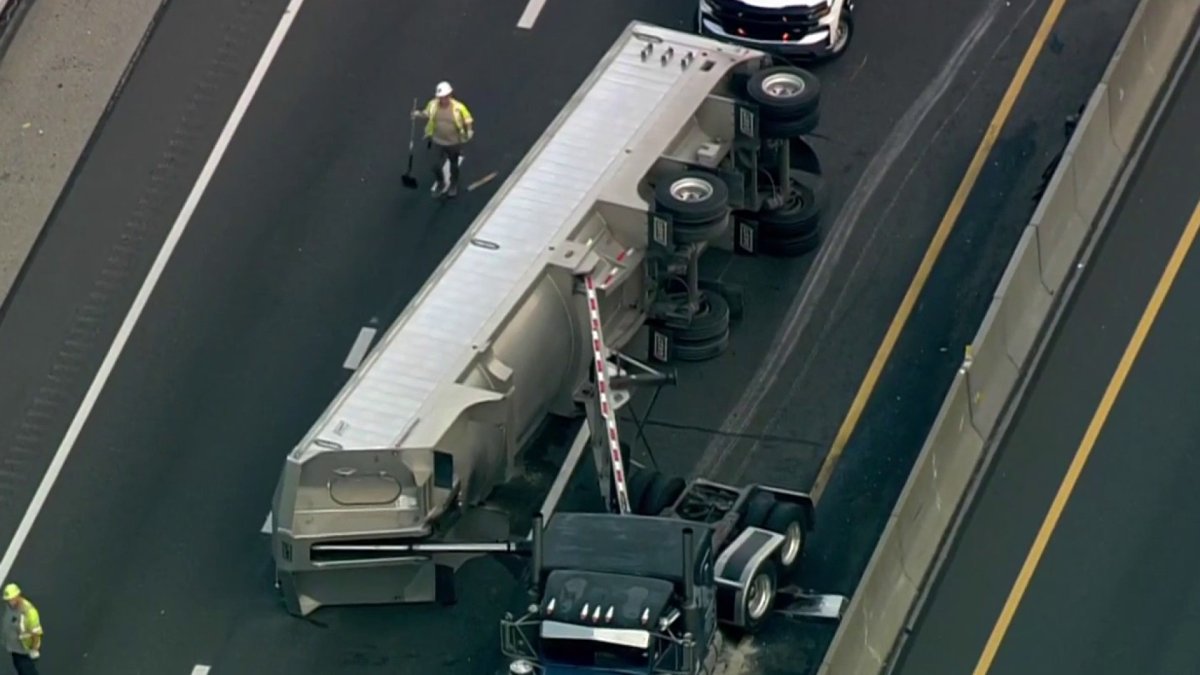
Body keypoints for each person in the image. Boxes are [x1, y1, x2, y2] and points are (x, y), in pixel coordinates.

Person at [412, 81, 474, 197]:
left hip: (453, 142)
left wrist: (469, 130)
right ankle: (441, 182)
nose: (443, 100)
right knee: (434, 165)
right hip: (437, 141)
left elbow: (468, 119)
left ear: (450, 95)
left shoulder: (458, 108)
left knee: (454, 164)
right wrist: (418, 114)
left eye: (445, 97)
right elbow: (427, 114)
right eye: (441, 97)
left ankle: (453, 184)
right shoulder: (433, 105)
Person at [2, 584, 41, 675]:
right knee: (20, 669)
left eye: (11, 599)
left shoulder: (29, 612)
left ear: (18, 596)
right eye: (8, 600)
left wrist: (34, 649)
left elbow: (36, 633)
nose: (9, 601)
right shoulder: (10, 607)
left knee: (27, 671)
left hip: (24, 650)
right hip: (15, 648)